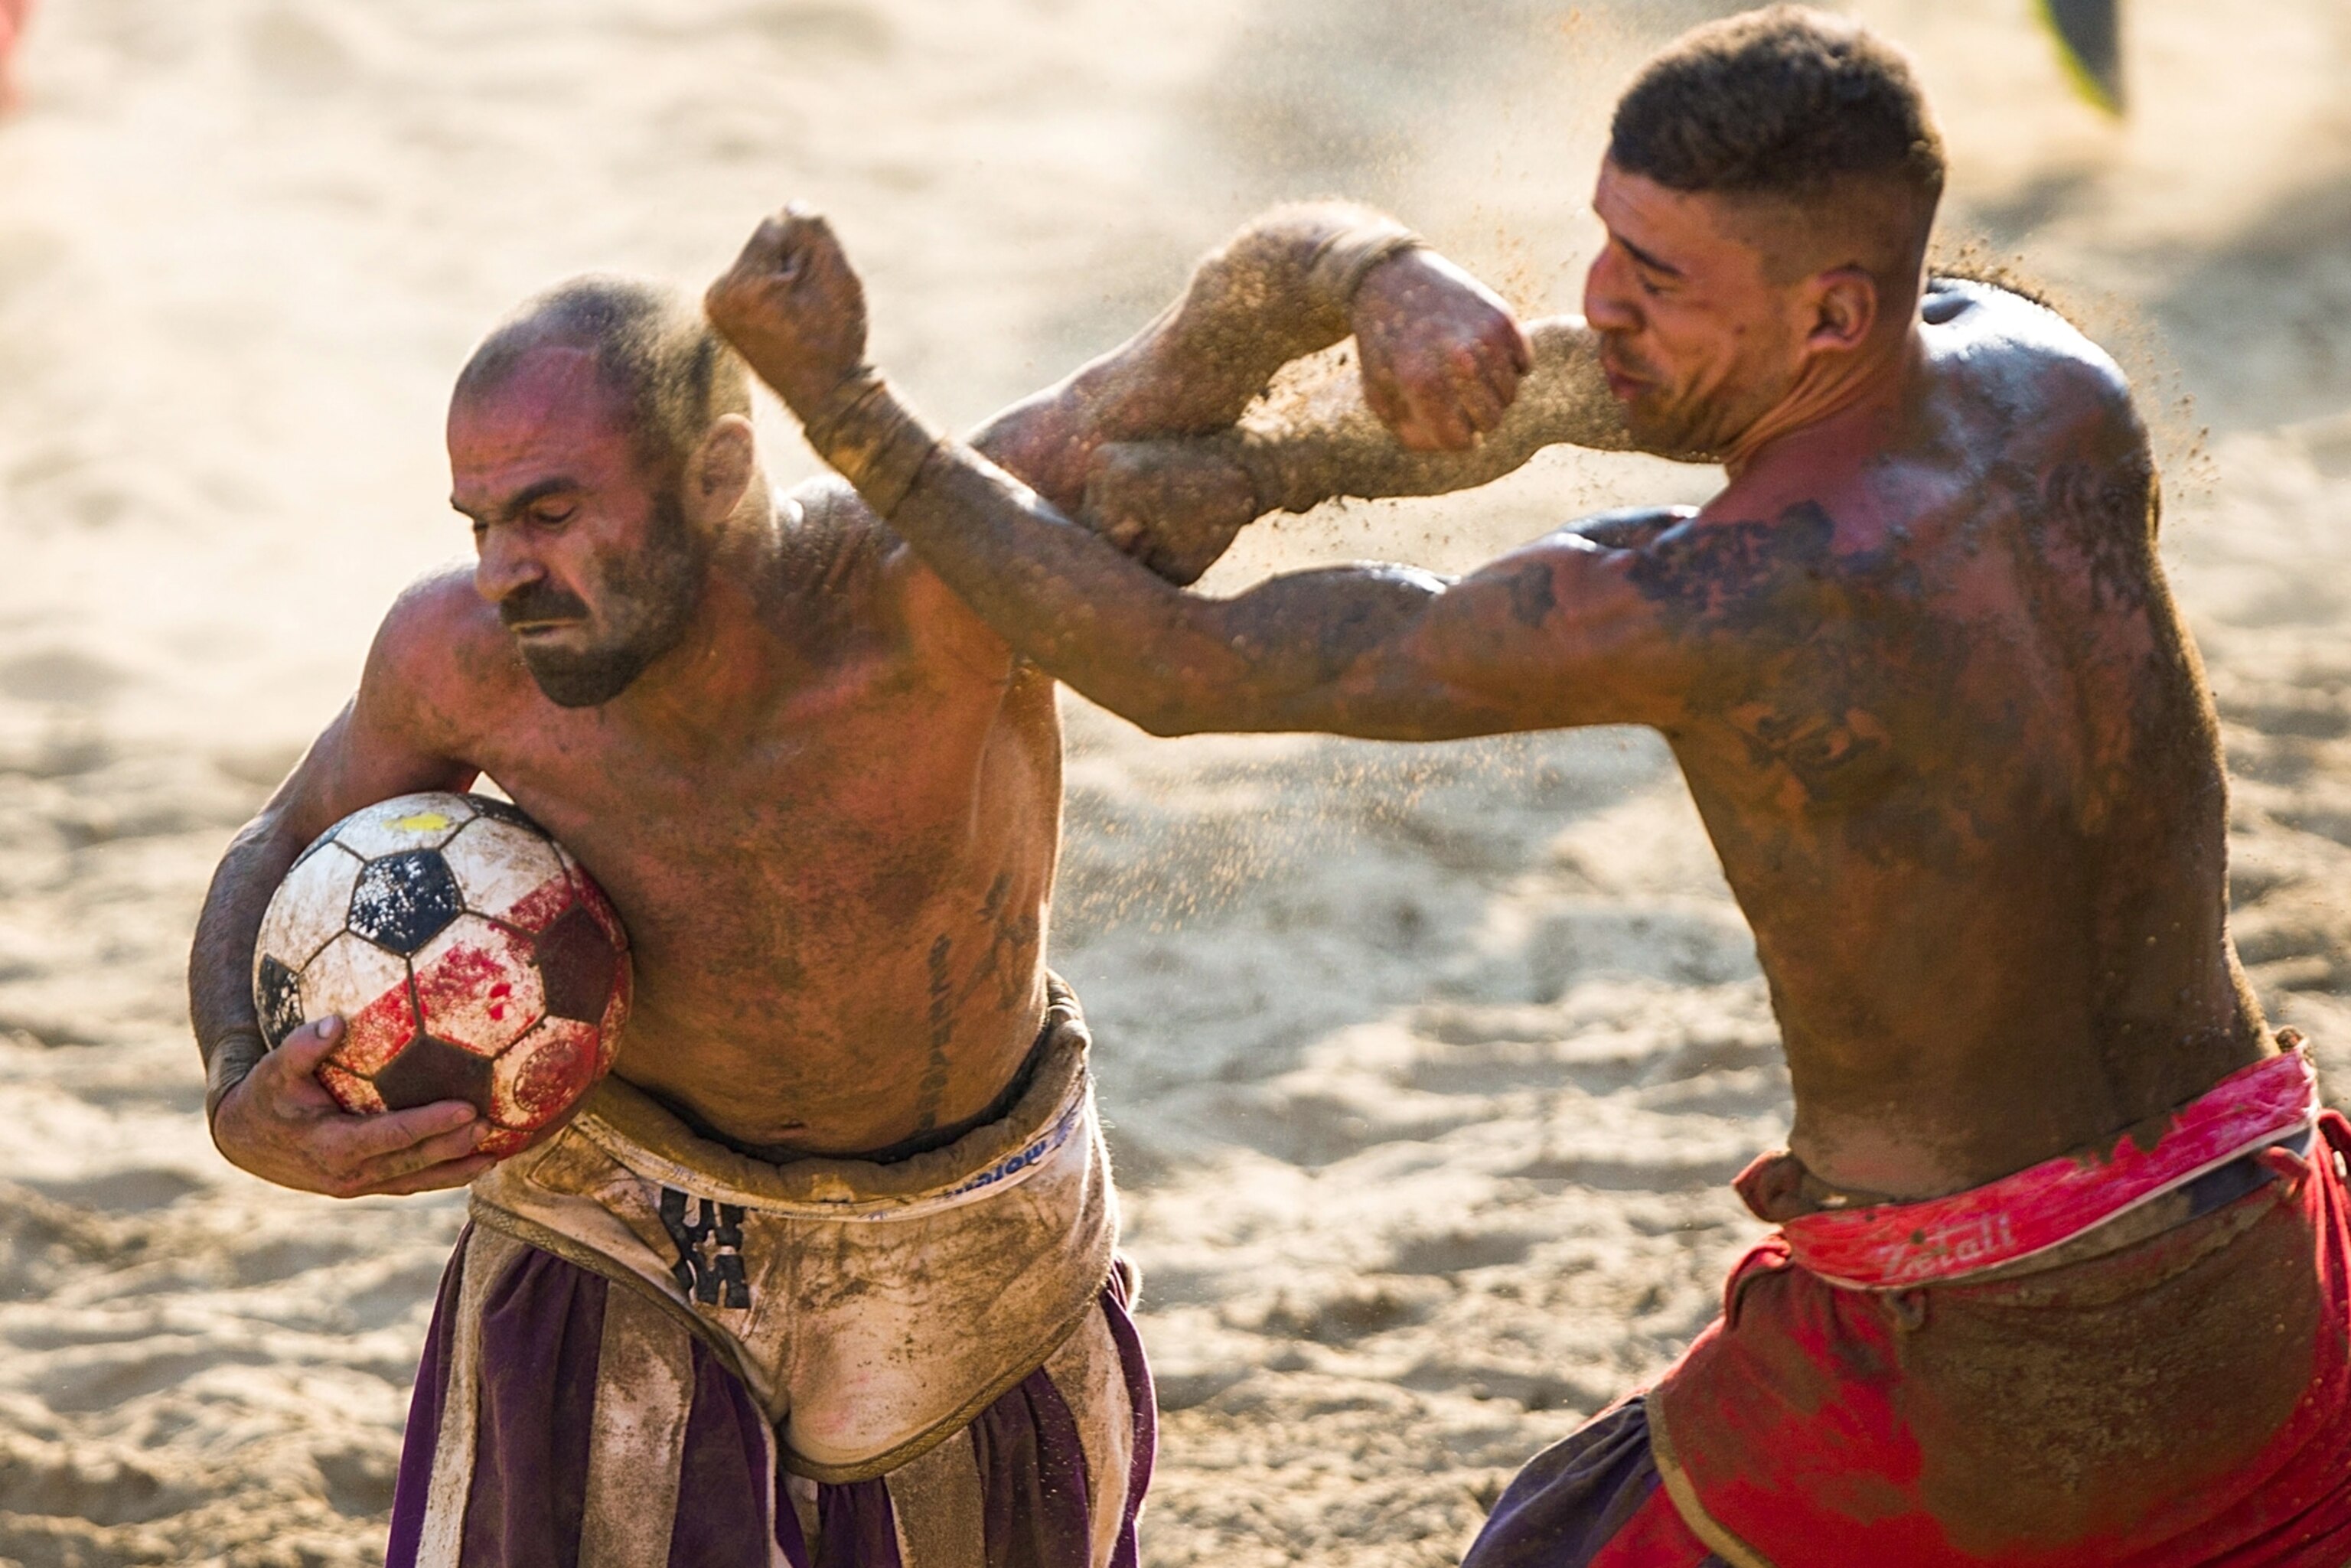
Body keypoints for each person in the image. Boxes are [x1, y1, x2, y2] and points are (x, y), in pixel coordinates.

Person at [703, 8, 2351, 1564]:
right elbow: (1635, 382)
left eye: (1653, 271)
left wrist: (851, 408)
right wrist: (1285, 466)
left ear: (1830, 313)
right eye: (1604, 238)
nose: (1598, 296)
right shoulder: (2055, 381)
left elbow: (1177, 671)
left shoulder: (1720, 605)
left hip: (2001, 1361)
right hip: (2277, 1263)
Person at [185, 210, 1528, 1565]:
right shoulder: (458, 654)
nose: (501, 570)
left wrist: (1382, 277)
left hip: (965, 1252)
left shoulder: (942, 565)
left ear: (716, 475)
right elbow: (282, 839)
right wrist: (243, 1089)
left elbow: (1217, 327)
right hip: (623, 1233)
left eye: (547, 512)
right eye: (478, 521)